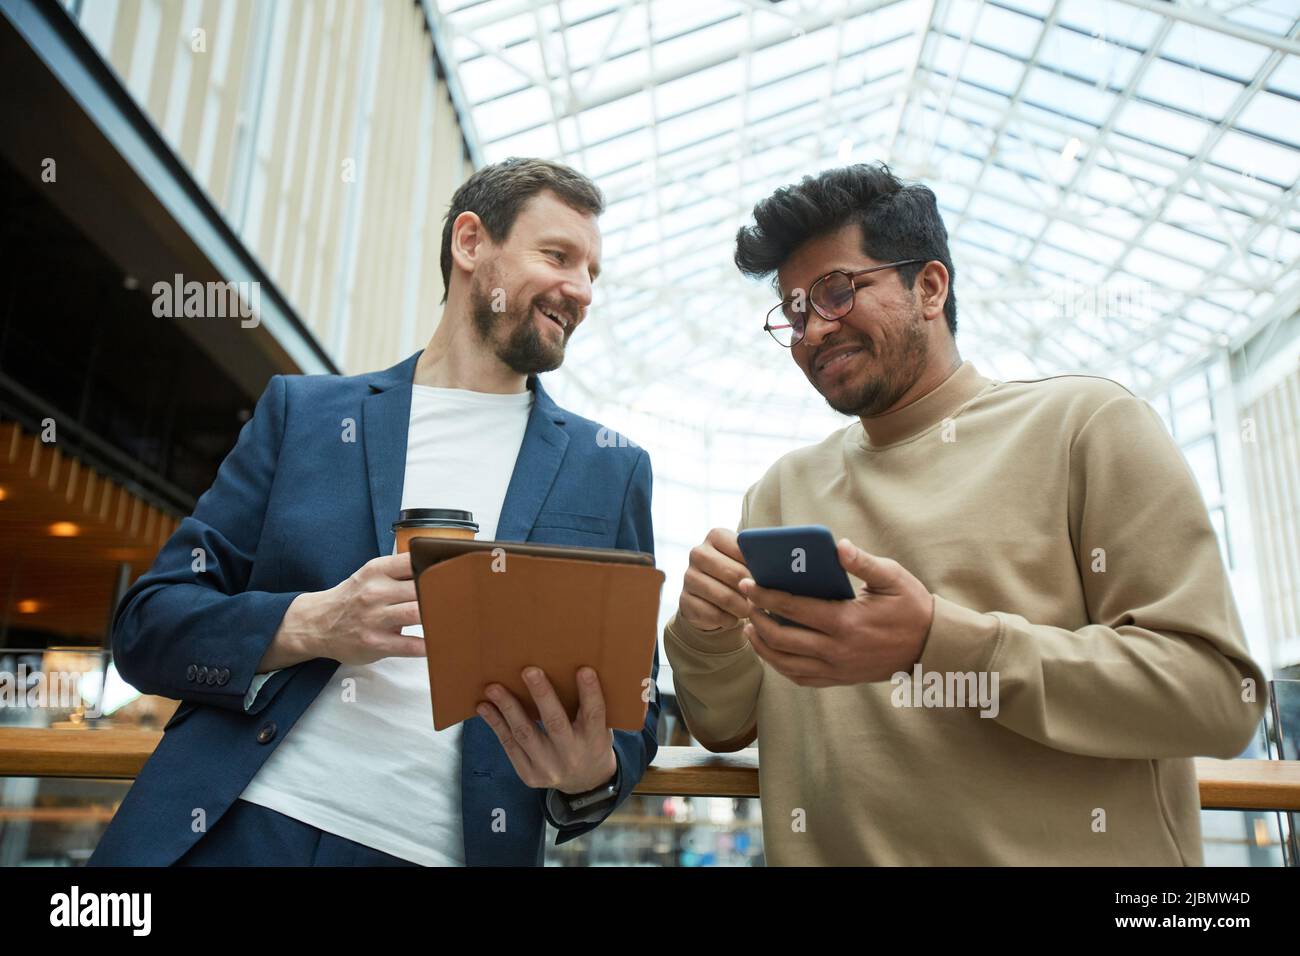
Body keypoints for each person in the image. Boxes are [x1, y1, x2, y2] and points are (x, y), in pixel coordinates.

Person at [664, 162, 1266, 866]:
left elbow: (1219, 697)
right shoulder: (781, 491)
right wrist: (704, 632)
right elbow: (723, 724)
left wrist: (935, 644)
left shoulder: (1085, 426)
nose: (812, 331)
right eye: (794, 311)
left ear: (930, 286)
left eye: (835, 292)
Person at [90, 158, 658, 867]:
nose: (580, 290)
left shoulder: (610, 468)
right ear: (471, 242)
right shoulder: (306, 416)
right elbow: (148, 626)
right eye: (558, 256)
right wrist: (313, 624)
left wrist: (588, 773)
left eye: (593, 273)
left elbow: (638, 706)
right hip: (240, 826)